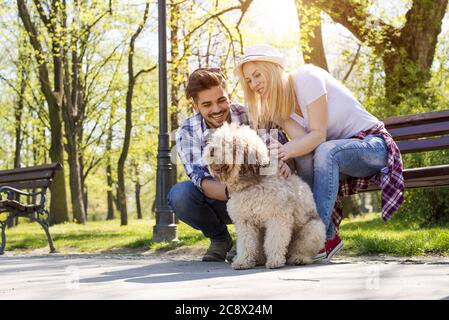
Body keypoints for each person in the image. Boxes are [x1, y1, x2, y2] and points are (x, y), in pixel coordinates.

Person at [234, 44, 404, 262]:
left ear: (273, 69)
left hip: (373, 146)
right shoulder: (278, 109)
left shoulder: (307, 77)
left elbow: (318, 136)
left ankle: (320, 237)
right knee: (306, 155)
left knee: (323, 150)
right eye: (249, 80)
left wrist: (285, 150)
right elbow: (304, 147)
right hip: (334, 157)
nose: (254, 83)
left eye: (257, 75)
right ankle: (314, 233)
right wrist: (278, 157)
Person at [168, 67, 290, 262]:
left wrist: (281, 162)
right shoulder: (188, 131)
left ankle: (258, 240)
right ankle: (220, 239)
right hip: (222, 197)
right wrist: (241, 193)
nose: (216, 110)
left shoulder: (251, 114)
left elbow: (280, 148)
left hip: (264, 192)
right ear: (195, 106)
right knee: (180, 195)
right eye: (207, 104)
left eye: (221, 100)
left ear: (229, 95)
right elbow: (202, 179)